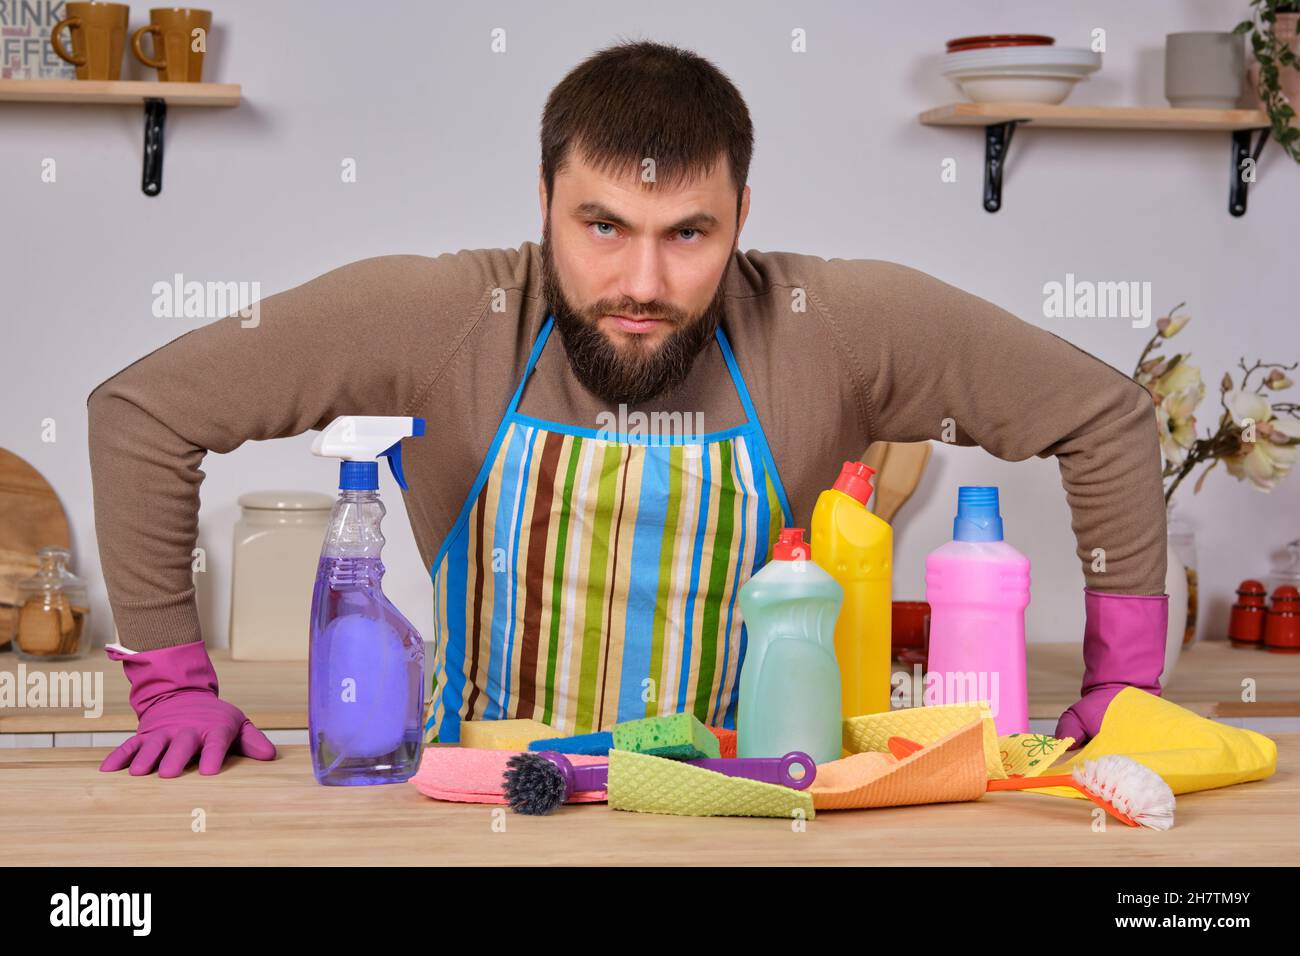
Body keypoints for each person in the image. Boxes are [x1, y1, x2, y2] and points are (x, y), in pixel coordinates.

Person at [87, 40, 1167, 778]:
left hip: (748, 805)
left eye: (688, 233)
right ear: (544, 202)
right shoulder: (446, 316)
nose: (641, 280)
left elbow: (1102, 415)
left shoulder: (827, 321)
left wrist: (1122, 682)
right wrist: (173, 682)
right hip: (485, 804)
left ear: (743, 215)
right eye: (602, 226)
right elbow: (142, 412)